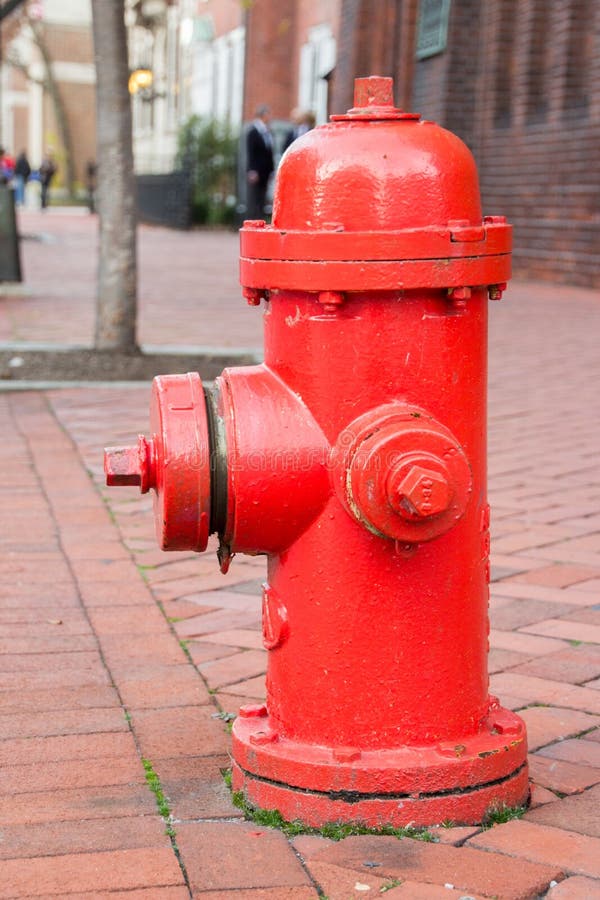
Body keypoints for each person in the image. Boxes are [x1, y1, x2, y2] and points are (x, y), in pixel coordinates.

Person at [245, 104, 274, 220]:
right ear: (263, 115)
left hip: (265, 171)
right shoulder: (253, 132)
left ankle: (260, 220)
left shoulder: (267, 131)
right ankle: (253, 220)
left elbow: (269, 152)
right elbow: (251, 153)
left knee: (262, 198)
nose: (270, 117)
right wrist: (252, 170)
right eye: (268, 114)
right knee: (255, 198)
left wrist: (271, 170)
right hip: (256, 172)